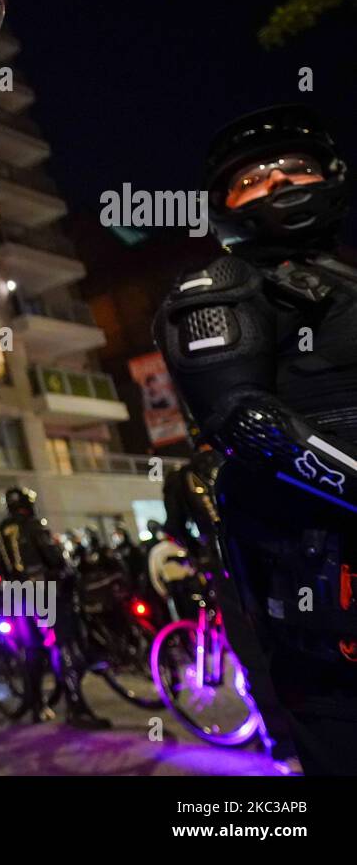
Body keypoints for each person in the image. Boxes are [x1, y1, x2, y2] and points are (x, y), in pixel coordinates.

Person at [155, 104, 357, 774]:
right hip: (327, 602)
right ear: (224, 206)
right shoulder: (218, 288)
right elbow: (249, 426)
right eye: (253, 179)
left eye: (293, 170)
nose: (277, 185)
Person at [0, 487, 110, 729]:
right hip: (43, 591)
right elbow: (54, 558)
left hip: (18, 596)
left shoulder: (2, 530)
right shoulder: (34, 525)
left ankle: (37, 706)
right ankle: (76, 706)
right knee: (62, 645)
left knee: (33, 651)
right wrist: (66, 572)